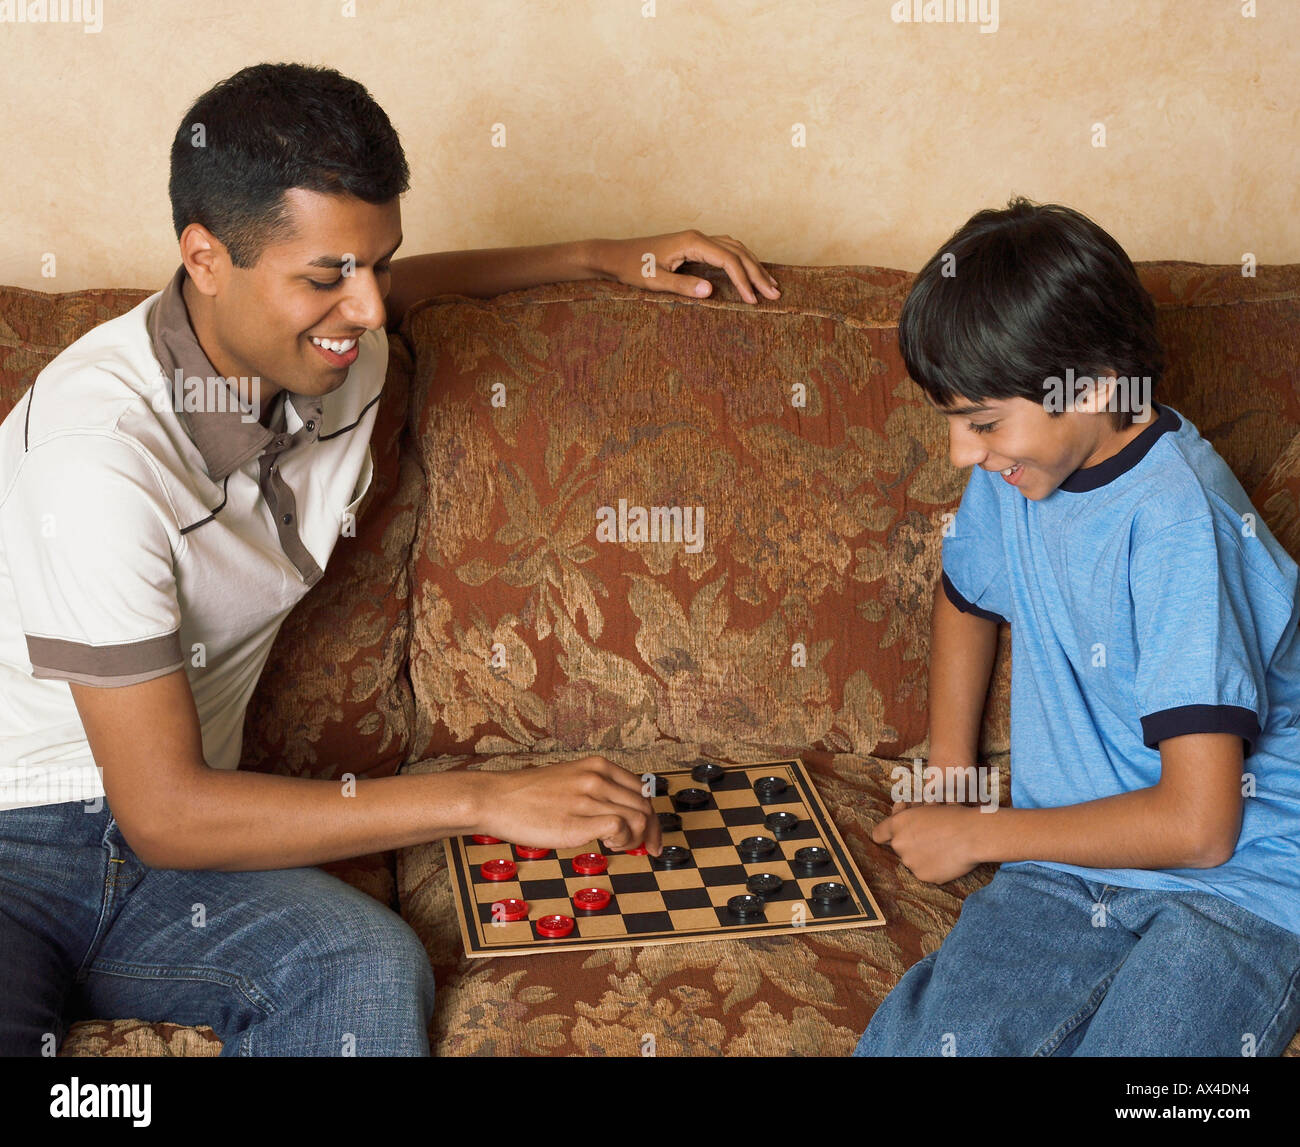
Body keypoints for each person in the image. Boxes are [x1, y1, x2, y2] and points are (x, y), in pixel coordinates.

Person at [0, 61, 779, 1057]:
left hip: (174, 863)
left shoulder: (329, 342)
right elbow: (164, 812)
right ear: (205, 258)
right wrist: (484, 798)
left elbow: (400, 290)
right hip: (23, 838)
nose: (368, 309)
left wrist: (599, 254)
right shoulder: (98, 458)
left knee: (363, 964)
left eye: (377, 264)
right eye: (327, 277)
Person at [857, 197, 1300, 1057]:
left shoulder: (1179, 521)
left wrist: (979, 833)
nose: (962, 452)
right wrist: (950, 772)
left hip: (1241, 884)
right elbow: (966, 598)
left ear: (1091, 386)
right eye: (954, 421)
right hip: (1066, 866)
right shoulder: (1018, 469)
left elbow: (1201, 825)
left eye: (983, 422)